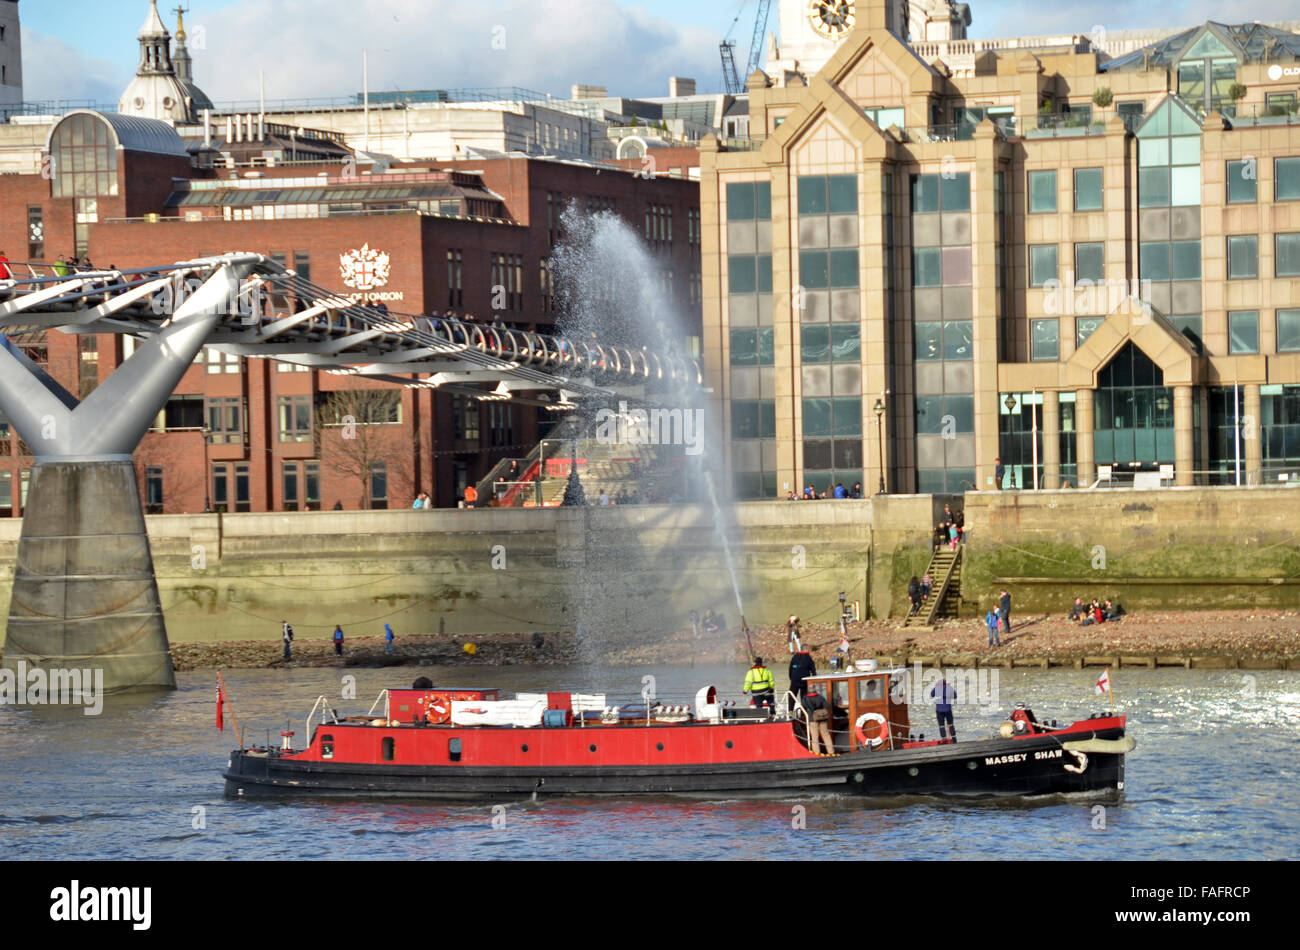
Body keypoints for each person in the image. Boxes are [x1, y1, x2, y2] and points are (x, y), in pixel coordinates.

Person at [803, 685, 835, 755]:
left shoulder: (805, 698)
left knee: (815, 737)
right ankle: (831, 752)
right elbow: (827, 705)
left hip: (813, 719)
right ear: (815, 689)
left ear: (808, 690)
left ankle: (817, 753)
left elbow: (804, 707)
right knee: (826, 735)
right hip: (822, 718)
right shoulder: (820, 697)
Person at [931, 677, 957, 742]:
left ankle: (944, 738)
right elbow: (955, 696)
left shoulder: (936, 688)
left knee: (941, 725)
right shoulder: (949, 688)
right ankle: (953, 737)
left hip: (939, 710)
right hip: (948, 709)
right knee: (950, 724)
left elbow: (931, 695)